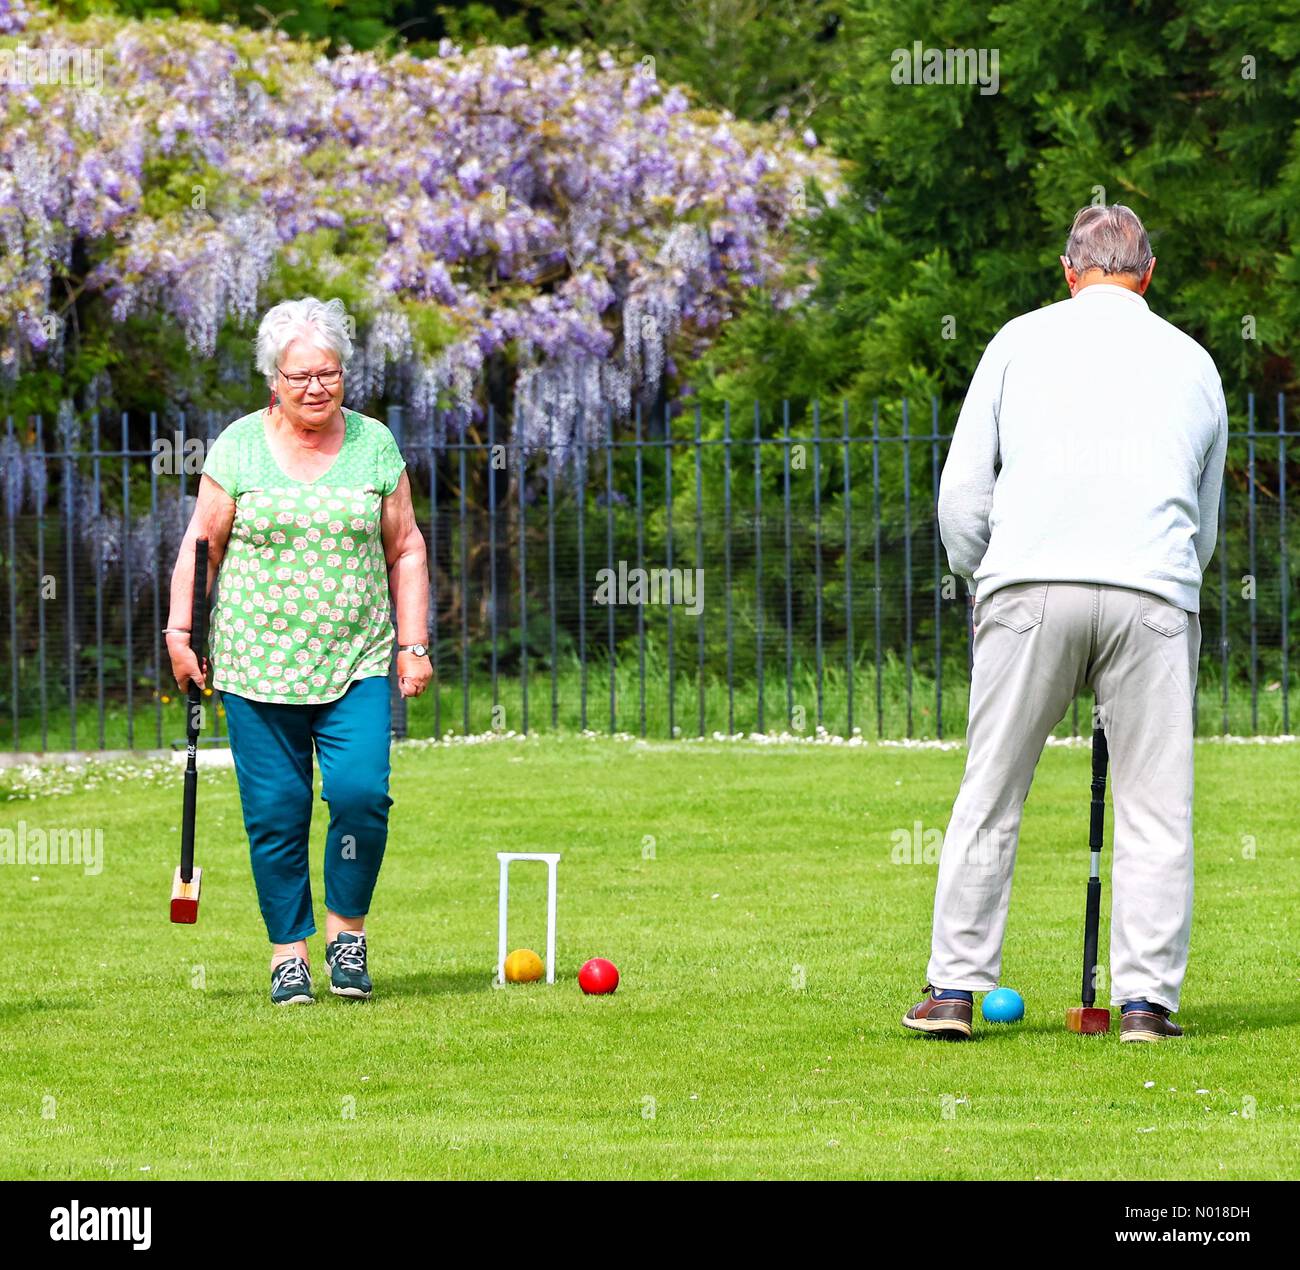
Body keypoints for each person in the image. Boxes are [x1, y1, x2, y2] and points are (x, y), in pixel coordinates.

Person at [903, 205, 1228, 1042]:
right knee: (1156, 808)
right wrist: (1173, 584)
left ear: (1068, 268)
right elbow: (1207, 516)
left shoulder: (1017, 342)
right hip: (1154, 593)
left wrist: (983, 576)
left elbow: (963, 498)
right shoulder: (1193, 362)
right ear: (1147, 274)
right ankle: (1146, 1005)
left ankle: (952, 991)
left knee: (990, 791)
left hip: (1030, 586)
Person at [166, 296, 431, 1005]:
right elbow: (202, 546)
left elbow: (405, 547)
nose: (317, 386)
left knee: (360, 796)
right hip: (257, 666)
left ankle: (348, 937)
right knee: (277, 812)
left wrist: (413, 645)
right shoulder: (239, 448)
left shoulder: (374, 445)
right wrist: (180, 635)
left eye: (330, 373)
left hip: (356, 662)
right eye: (301, 375)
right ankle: (290, 954)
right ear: (273, 382)